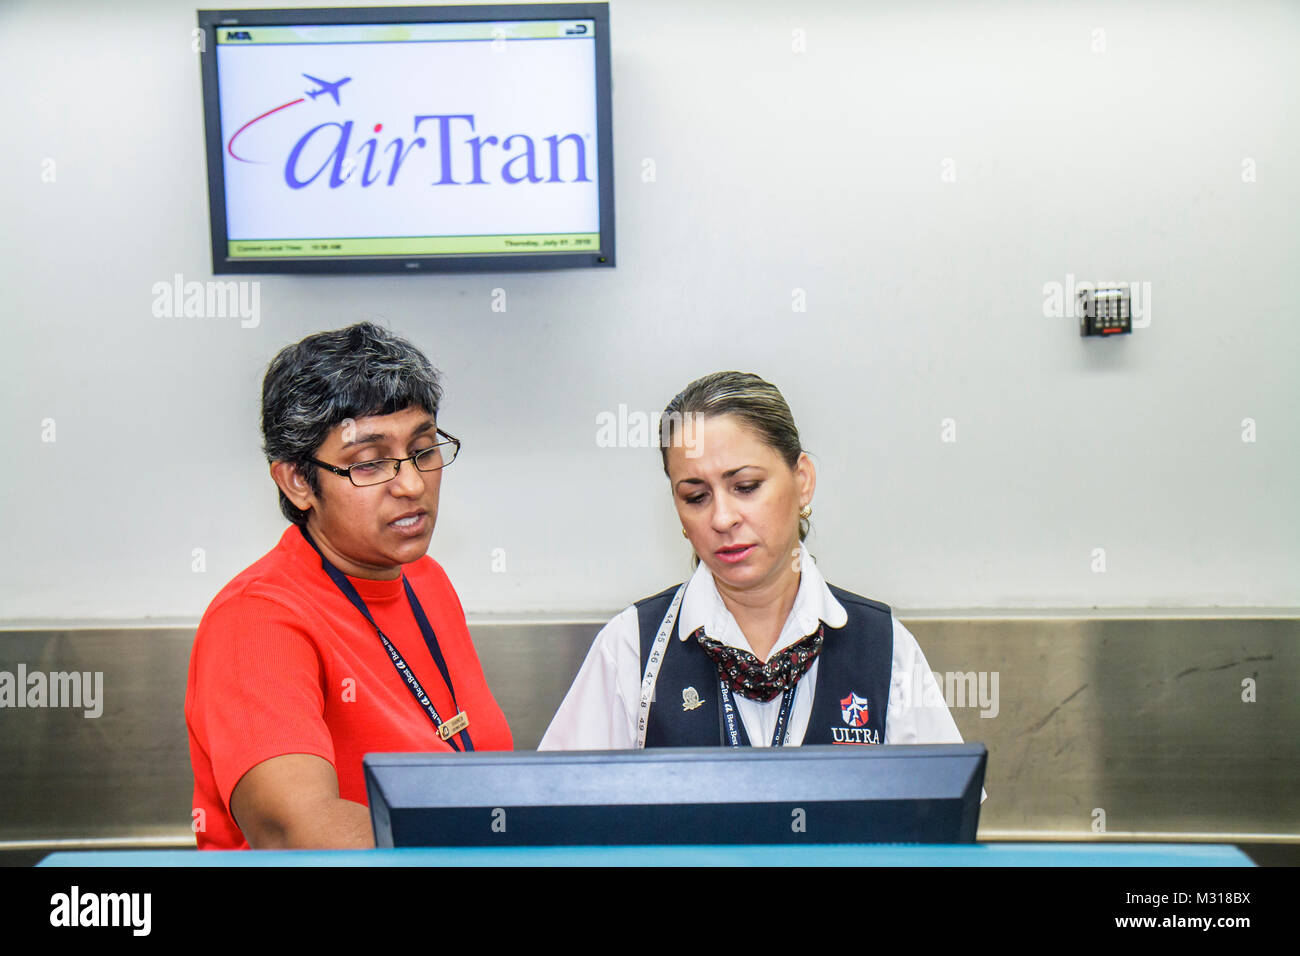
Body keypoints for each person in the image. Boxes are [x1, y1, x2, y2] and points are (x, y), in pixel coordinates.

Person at [541, 371, 977, 767]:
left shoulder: (884, 649)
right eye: (696, 497)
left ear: (802, 480)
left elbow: (939, 816)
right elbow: (559, 809)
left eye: (745, 486)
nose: (722, 518)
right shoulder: (631, 650)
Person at [186, 322, 512, 850]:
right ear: (298, 481)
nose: (412, 484)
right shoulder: (258, 618)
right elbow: (297, 832)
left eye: (423, 450)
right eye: (369, 463)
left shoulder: (425, 579)